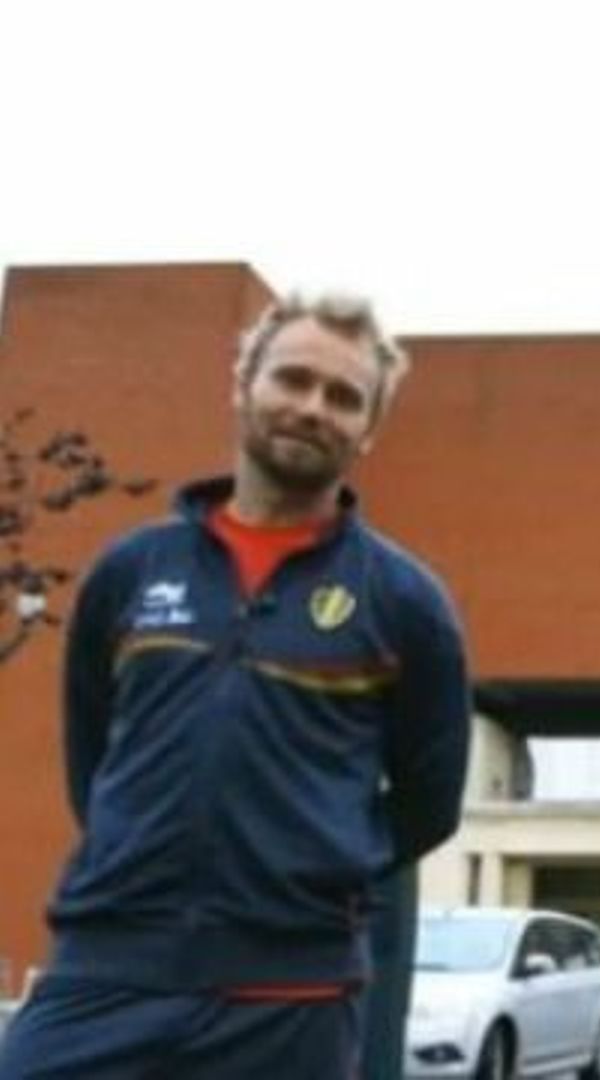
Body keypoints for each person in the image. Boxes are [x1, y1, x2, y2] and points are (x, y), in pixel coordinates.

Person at [0, 294, 472, 1078]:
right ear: (244, 383)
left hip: (292, 995)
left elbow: (430, 800)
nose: (313, 407)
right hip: (108, 973)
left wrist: (321, 864)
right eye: (293, 379)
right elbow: (97, 757)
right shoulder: (131, 571)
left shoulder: (405, 602)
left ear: (368, 431)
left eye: (344, 397)